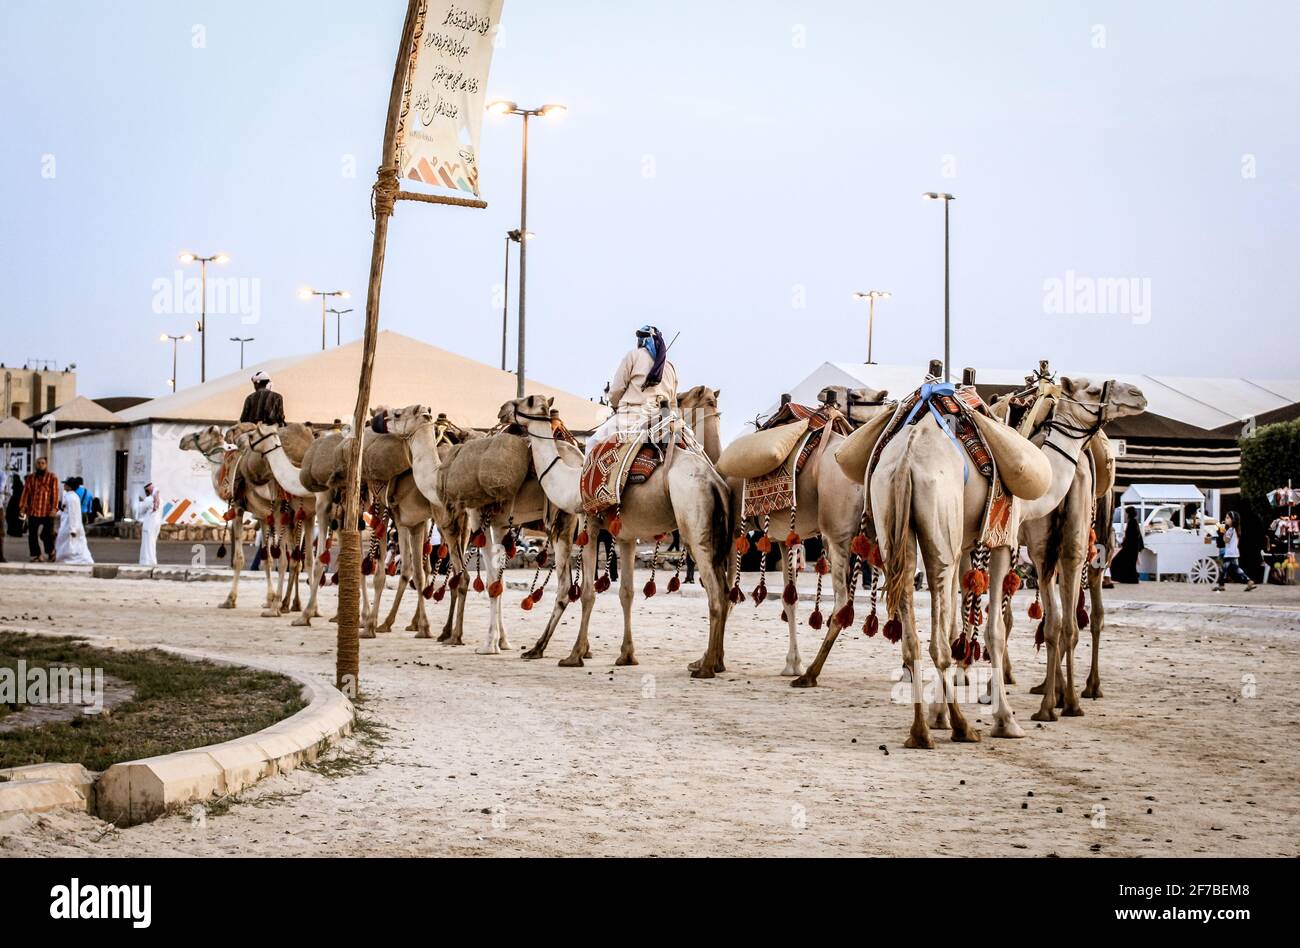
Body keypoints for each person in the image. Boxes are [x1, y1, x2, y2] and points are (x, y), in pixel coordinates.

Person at [590, 326, 678, 450]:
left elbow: (616, 390)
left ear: (642, 340)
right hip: (663, 419)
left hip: (632, 417)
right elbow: (673, 402)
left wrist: (615, 406)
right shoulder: (670, 366)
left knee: (592, 443)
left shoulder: (633, 355)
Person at [19, 456, 59, 562]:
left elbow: (55, 494)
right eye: (38, 463)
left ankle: (51, 552)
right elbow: (26, 493)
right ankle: (37, 555)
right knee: (32, 535)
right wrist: (23, 506)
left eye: (42, 463)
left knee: (47, 534)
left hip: (47, 512)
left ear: (46, 465)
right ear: (35, 465)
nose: (40, 465)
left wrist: (54, 508)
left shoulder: (52, 477)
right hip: (33, 511)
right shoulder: (30, 478)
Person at [55, 477, 94, 564]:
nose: (64, 485)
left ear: (69, 486)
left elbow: (73, 513)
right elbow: (65, 511)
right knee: (68, 544)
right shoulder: (70, 496)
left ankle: (73, 560)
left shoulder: (72, 498)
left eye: (66, 484)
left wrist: (73, 529)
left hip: (70, 525)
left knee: (72, 544)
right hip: (67, 524)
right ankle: (67, 559)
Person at [1215, 511, 1256, 592]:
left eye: (1227, 518)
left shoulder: (1230, 530)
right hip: (1234, 553)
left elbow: (1226, 540)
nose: (1225, 520)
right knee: (1236, 569)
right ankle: (1248, 581)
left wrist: (1222, 532)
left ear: (1233, 520)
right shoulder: (1236, 530)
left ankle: (1221, 585)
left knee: (1224, 569)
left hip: (1229, 553)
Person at [1110, 507, 1144, 584]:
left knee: (1117, 562)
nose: (1125, 515)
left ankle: (1127, 578)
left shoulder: (1132, 522)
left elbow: (1131, 537)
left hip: (1130, 549)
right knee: (1128, 564)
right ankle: (1128, 578)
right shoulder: (1133, 522)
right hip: (1131, 548)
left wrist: (1124, 544)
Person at [134, 482, 162, 566]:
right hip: (156, 524)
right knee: (152, 543)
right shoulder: (160, 500)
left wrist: (140, 502)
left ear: (147, 491)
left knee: (147, 544)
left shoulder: (149, 499)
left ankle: (147, 562)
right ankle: (153, 561)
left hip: (149, 525)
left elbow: (140, 510)